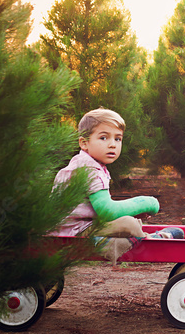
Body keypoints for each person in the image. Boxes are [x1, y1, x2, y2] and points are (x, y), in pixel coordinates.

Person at [50, 108, 174, 261]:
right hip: (74, 233)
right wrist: (147, 203)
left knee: (128, 221)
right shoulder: (90, 169)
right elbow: (107, 211)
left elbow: (97, 210)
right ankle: (153, 239)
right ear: (84, 142)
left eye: (118, 139)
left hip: (70, 228)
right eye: (103, 138)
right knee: (130, 224)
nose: (112, 145)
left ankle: (122, 239)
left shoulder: (82, 163)